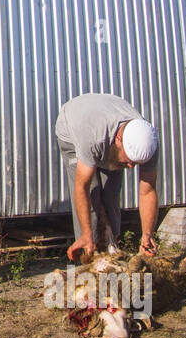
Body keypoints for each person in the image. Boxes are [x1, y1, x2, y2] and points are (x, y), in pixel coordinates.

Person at [55, 93, 159, 263]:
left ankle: (112, 248)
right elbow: (83, 188)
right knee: (93, 194)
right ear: (119, 140)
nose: (131, 167)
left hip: (106, 122)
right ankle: (90, 250)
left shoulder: (148, 142)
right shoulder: (92, 138)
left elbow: (148, 191)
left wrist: (147, 234)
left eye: (135, 163)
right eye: (129, 161)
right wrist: (86, 233)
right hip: (71, 128)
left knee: (111, 193)